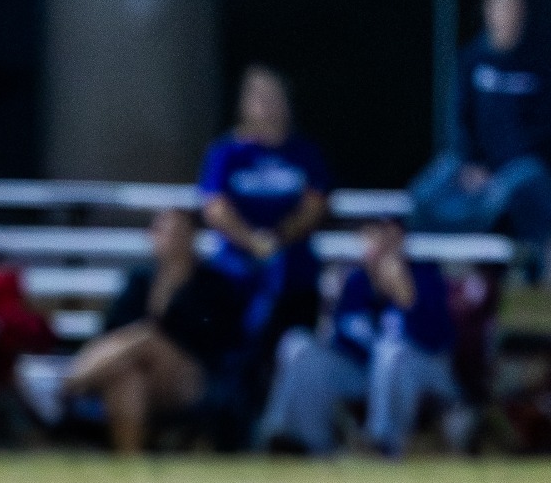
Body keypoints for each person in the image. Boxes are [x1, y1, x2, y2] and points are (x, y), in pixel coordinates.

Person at [258, 219, 462, 457]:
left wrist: (406, 297)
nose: (379, 245)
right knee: (298, 345)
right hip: (368, 373)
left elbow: (437, 342)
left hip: (425, 370)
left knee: (391, 351)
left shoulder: (425, 275)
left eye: (388, 236)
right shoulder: (355, 282)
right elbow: (341, 345)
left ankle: (382, 445)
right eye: (372, 236)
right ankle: (302, 444)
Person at [59, 209, 247, 455]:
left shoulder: (213, 285)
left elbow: (214, 339)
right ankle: (132, 465)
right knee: (128, 378)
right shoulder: (139, 280)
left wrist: (166, 305)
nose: (171, 238)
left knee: (147, 338)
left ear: (192, 237)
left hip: (193, 377)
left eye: (178, 232)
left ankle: (69, 385)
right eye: (164, 232)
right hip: (143, 374)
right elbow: (113, 331)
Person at [410, 0, 551, 277]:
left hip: (517, 169)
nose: (508, 14)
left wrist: (499, 167)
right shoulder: (471, 59)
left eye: (514, 7)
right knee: (422, 194)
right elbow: (459, 118)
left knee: (518, 188)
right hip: (473, 165)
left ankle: (516, 261)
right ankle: (438, 272)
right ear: (488, 10)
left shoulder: (539, 63)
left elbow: (542, 131)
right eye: (502, 6)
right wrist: (471, 162)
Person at [198, 65, 332, 374]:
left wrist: (278, 238)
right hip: (234, 274)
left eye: (274, 96)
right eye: (259, 96)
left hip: (293, 275)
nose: (267, 104)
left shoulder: (305, 153)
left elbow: (316, 204)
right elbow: (214, 205)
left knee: (290, 344)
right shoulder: (227, 153)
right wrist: (251, 240)